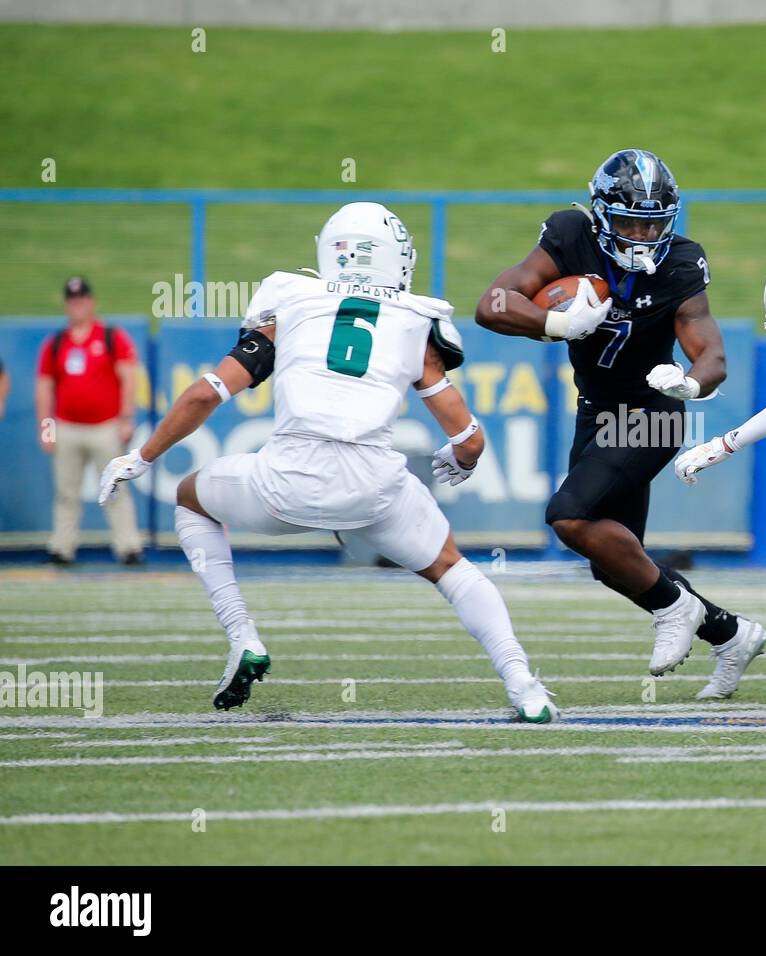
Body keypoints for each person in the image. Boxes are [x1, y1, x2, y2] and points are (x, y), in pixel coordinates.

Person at [99, 202, 556, 722]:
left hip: (285, 483)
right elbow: (469, 438)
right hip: (373, 489)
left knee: (191, 499)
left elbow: (207, 394)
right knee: (454, 571)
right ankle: (525, 686)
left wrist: (140, 456)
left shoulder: (291, 300)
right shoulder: (415, 320)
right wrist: (461, 459)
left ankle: (243, 636)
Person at [474, 149, 766, 699]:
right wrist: (553, 321)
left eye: (653, 223)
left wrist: (690, 384)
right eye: (630, 220)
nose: (641, 234)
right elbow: (491, 303)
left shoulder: (680, 262)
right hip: (597, 412)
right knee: (613, 562)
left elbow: (711, 356)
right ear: (600, 213)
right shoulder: (569, 235)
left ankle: (676, 609)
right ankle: (730, 634)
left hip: (651, 415)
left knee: (568, 515)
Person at [36, 277, 144, 565]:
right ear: (66, 305)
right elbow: (45, 386)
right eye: (73, 301)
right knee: (65, 491)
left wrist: (125, 418)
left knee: (115, 486)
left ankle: (128, 546)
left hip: (105, 426)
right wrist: (47, 427)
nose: (78, 305)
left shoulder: (110, 336)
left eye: (82, 300)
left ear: (91, 302)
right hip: (67, 425)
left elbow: (128, 377)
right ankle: (62, 546)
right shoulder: (57, 343)